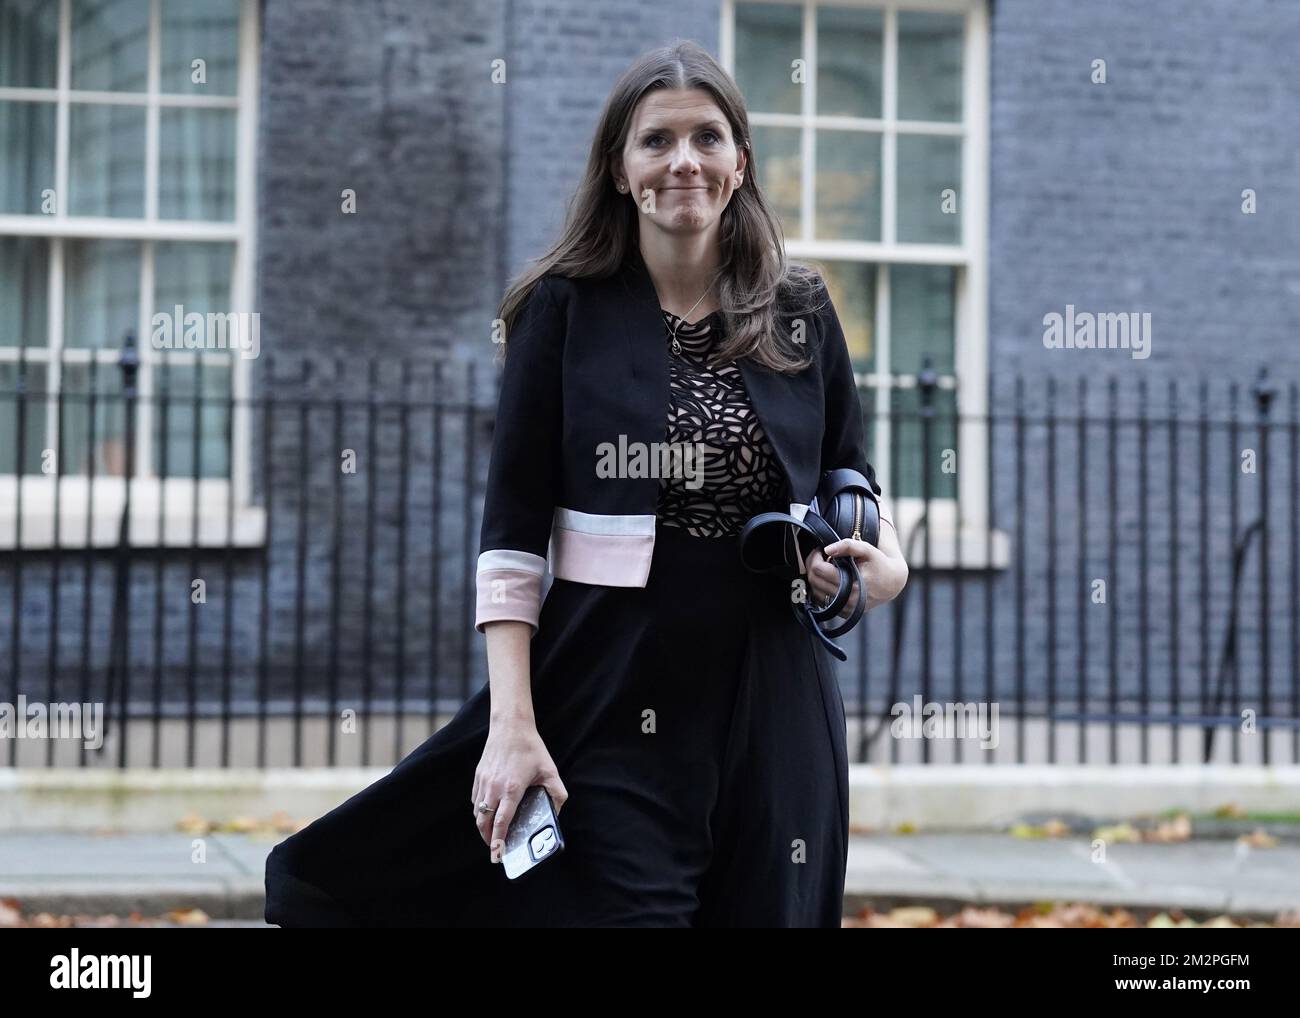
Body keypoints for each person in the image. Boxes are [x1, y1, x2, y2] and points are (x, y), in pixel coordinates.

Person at [264, 38, 909, 928]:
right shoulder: (560, 309)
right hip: (613, 686)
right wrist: (512, 725)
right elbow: (512, 532)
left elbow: (852, 475)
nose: (684, 161)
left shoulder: (800, 309)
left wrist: (886, 567)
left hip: (776, 695)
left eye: (708, 137)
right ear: (618, 167)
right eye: (657, 140)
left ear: (740, 161)